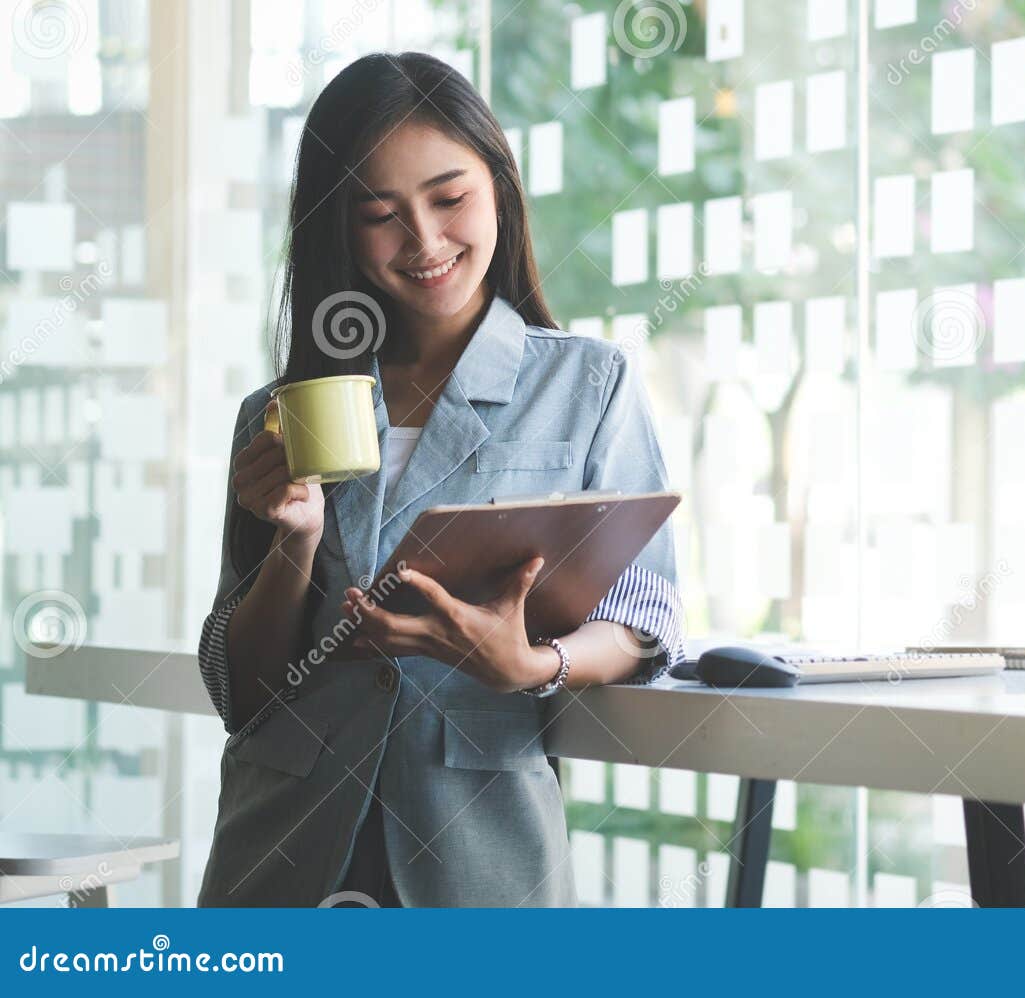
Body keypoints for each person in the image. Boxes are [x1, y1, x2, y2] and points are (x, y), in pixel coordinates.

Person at [195, 52, 682, 907]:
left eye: (450, 198)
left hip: (478, 855)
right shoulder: (279, 412)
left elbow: (644, 617)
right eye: (380, 214)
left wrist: (534, 665)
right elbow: (243, 689)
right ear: (338, 229)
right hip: (279, 860)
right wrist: (296, 544)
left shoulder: (588, 385)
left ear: (499, 186)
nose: (424, 242)